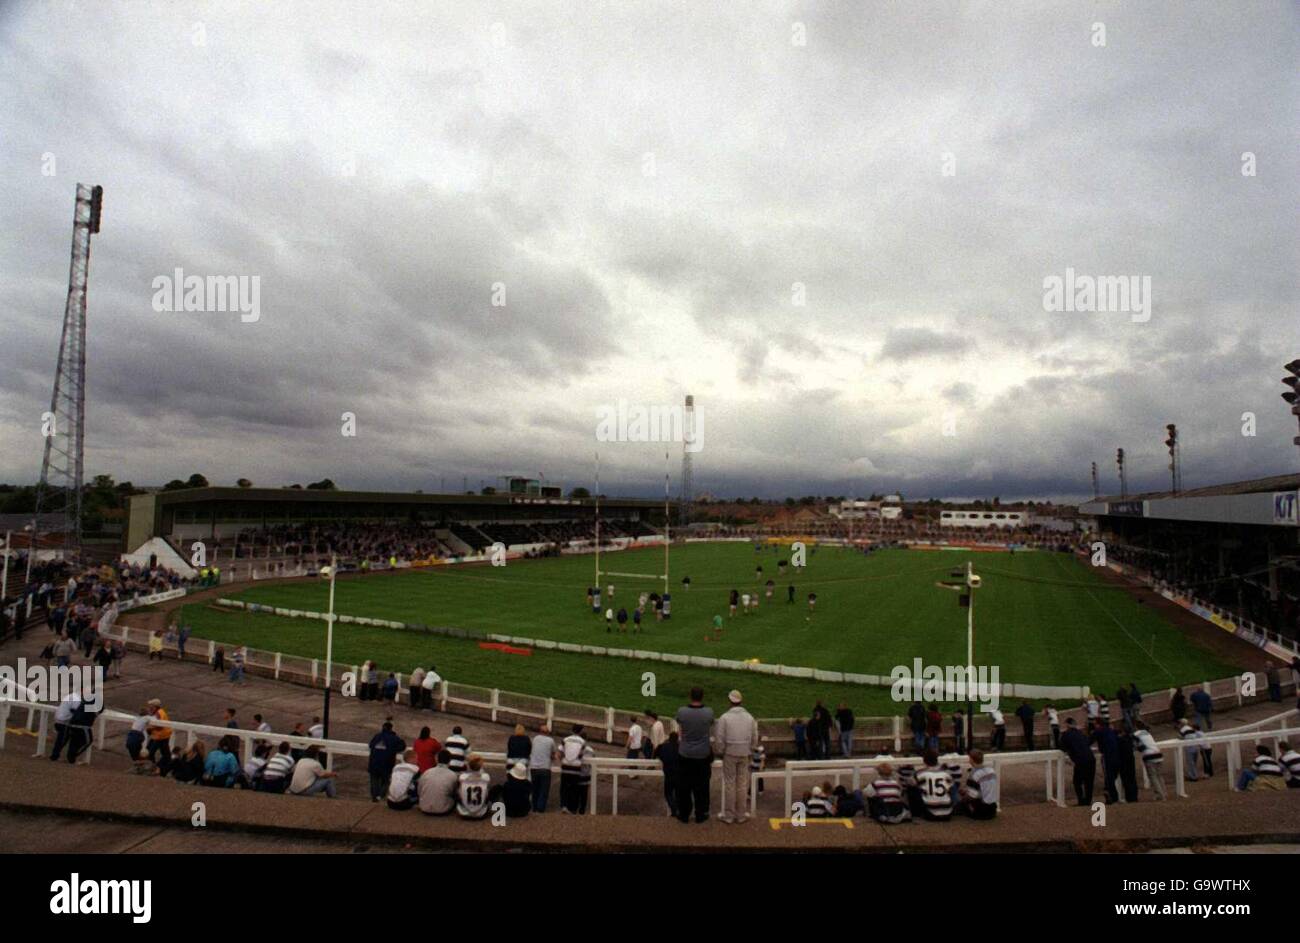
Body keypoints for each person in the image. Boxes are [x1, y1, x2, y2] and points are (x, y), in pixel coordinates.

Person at [714, 689, 759, 824]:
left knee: (729, 784)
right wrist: (751, 749)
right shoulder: (750, 718)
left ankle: (729, 815)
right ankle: (741, 815)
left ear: (730, 701)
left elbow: (719, 738)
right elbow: (754, 736)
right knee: (742, 784)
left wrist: (721, 751)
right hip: (744, 753)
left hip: (730, 753)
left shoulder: (724, 718)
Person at [675, 688, 716, 824]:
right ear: (702, 697)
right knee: (702, 787)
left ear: (690, 696)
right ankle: (701, 814)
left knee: (684, 786)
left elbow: (680, 725)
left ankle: (684, 814)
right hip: (702, 755)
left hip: (685, 753)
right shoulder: (709, 713)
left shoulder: (682, 712)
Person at [907, 749, 954, 821]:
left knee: (911, 788)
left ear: (924, 761)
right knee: (951, 787)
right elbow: (952, 786)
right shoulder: (946, 773)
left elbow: (909, 782)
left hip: (930, 813)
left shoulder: (920, 773)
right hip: (948, 812)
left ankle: (915, 813)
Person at [1058, 717, 1095, 806]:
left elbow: (1062, 747)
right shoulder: (1081, 733)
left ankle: (1081, 800)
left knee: (1077, 781)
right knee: (1089, 781)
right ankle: (1087, 801)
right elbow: (1088, 742)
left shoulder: (1066, 734)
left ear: (1067, 725)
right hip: (1090, 758)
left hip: (1080, 759)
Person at [367, 721, 406, 802]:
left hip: (374, 763)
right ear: (391, 729)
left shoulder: (377, 736)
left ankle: (375, 797)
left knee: (374, 781)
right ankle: (381, 796)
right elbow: (402, 746)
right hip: (386, 764)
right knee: (385, 781)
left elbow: (371, 745)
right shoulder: (394, 738)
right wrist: (393, 750)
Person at [418, 749, 460, 814]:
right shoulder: (452, 775)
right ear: (449, 761)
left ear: (437, 759)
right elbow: (455, 793)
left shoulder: (427, 772)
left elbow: (419, 790)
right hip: (442, 809)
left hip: (424, 807)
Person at [960, 749, 998, 819]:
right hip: (993, 808)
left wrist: (964, 793)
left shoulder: (973, 774)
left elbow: (973, 795)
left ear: (971, 760)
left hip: (981, 810)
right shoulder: (992, 771)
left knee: (962, 800)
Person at [1133, 721, 1165, 801]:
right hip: (1158, 753)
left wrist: (1136, 747)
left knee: (1153, 776)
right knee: (1159, 775)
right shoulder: (1147, 733)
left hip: (1149, 755)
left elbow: (1140, 747)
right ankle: (1163, 792)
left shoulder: (1136, 734)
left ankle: (1160, 795)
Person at [560, 725, 588, 814]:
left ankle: (563, 805)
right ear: (580, 732)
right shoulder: (583, 742)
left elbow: (560, 752)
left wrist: (564, 759)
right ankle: (572, 808)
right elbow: (581, 755)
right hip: (576, 767)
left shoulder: (565, 739)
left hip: (565, 765)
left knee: (563, 787)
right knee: (574, 788)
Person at [529, 724, 557, 812]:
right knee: (543, 790)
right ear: (547, 732)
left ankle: (534, 807)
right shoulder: (550, 740)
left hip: (533, 767)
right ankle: (540, 808)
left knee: (535, 789)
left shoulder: (534, 739)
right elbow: (553, 754)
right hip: (545, 767)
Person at [655, 730, 682, 817]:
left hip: (669, 774)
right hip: (679, 774)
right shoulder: (681, 747)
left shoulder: (663, 747)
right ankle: (677, 810)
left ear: (669, 738)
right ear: (677, 739)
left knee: (668, 794)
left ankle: (674, 810)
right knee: (678, 793)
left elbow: (655, 754)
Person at [457, 754, 491, 819]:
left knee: (458, 788)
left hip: (464, 812)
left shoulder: (462, 777)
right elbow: (483, 774)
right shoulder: (486, 777)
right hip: (481, 813)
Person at [146, 698, 172, 775]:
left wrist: (150, 728)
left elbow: (160, 726)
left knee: (150, 753)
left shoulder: (158, 713)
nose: (149, 707)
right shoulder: (160, 712)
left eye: (151, 706)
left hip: (160, 736)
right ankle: (162, 768)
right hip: (162, 736)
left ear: (155, 706)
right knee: (166, 754)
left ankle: (154, 768)